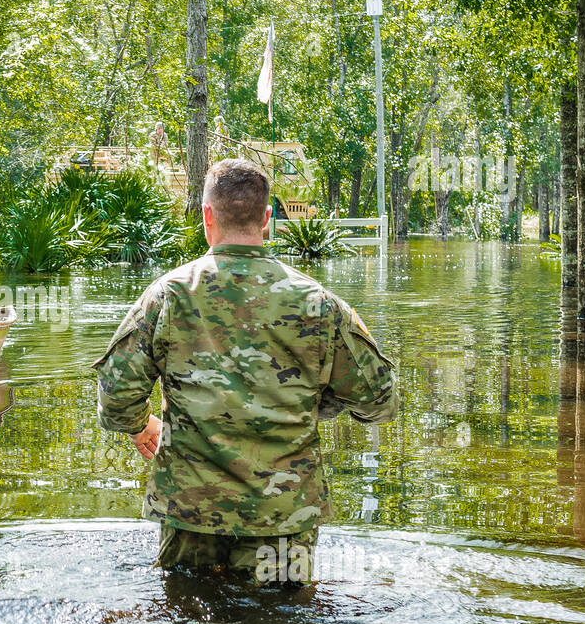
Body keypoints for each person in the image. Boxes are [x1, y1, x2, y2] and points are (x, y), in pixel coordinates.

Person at [95, 157, 398, 586]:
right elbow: (379, 399)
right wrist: (314, 403)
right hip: (283, 518)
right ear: (268, 219)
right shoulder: (319, 303)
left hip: (191, 513)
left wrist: (142, 425)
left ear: (207, 216)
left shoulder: (168, 296)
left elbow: (115, 397)